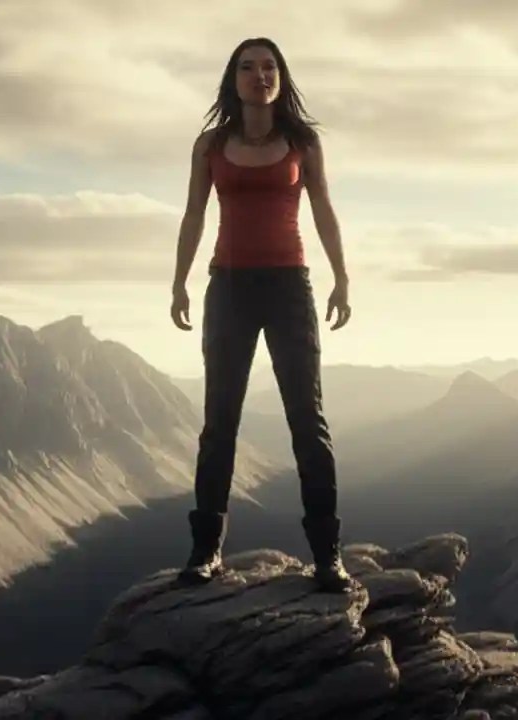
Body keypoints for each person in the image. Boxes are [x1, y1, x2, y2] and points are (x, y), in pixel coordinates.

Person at [169, 37, 355, 593]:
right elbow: (193, 214)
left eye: (269, 66)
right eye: (248, 67)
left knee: (308, 422)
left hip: (288, 288)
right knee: (219, 422)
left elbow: (322, 207)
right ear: (234, 79)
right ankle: (206, 552)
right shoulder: (210, 145)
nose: (260, 75)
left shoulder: (302, 142)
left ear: (281, 76)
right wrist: (178, 281)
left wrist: (343, 277)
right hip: (227, 287)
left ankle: (328, 556)